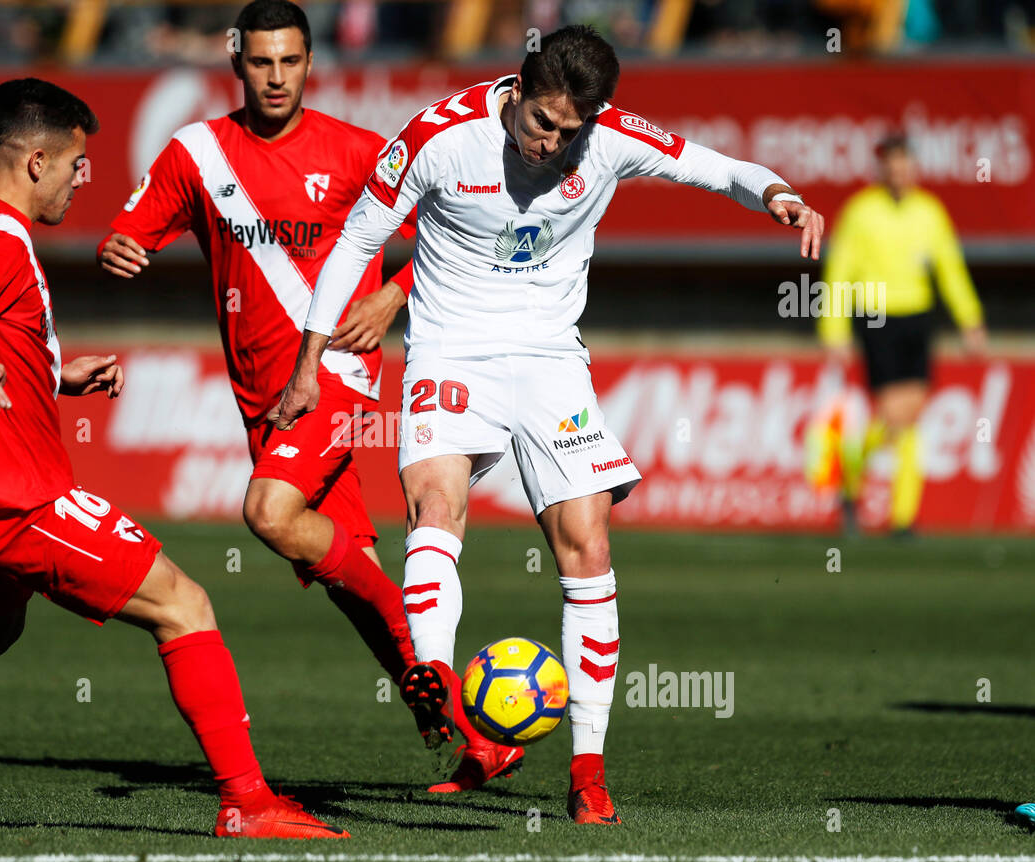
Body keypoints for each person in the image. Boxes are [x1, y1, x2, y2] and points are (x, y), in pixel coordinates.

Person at [271, 25, 824, 821]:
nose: (552, 144)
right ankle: (438, 684)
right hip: (451, 350)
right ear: (518, 88)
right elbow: (358, 238)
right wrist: (307, 364)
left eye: (570, 131)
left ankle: (588, 774)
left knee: (588, 546)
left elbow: (718, 168)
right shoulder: (437, 137)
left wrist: (777, 194)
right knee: (436, 504)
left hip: (550, 361)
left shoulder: (608, 138)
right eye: (541, 123)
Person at [0, 77, 346, 839]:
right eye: (79, 163)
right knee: (185, 607)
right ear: (38, 161)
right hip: (12, 499)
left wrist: (52, 372)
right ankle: (247, 802)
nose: (87, 179)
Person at [100, 1, 421, 718]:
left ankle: (432, 680)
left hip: (335, 374)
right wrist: (118, 248)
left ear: (311, 62)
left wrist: (390, 299)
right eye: (261, 62)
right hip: (263, 397)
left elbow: (451, 229)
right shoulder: (198, 155)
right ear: (236, 61)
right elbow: (131, 230)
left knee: (270, 513)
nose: (276, 78)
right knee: (350, 573)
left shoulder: (360, 151)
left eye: (290, 61)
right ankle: (455, 716)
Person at [819, 132, 985, 536]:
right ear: (882, 169)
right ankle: (852, 482)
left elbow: (949, 268)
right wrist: (834, 328)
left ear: (913, 167)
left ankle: (902, 516)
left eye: (904, 163)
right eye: (890, 164)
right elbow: (840, 273)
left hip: (917, 317)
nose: (898, 171)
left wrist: (970, 319)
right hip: (876, 316)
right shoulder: (861, 212)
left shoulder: (930, 211)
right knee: (895, 413)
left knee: (909, 418)